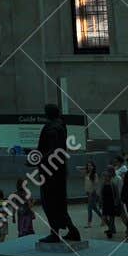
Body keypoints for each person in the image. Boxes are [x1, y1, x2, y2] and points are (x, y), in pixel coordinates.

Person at [35, 103, 81, 245]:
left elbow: (53, 150)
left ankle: (55, 233)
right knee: (59, 202)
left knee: (49, 202)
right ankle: (72, 231)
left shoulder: (52, 128)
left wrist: (39, 159)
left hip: (50, 171)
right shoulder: (61, 125)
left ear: (48, 113)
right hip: (58, 170)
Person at [99, 166, 120, 238]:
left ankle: (110, 230)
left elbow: (117, 194)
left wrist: (116, 203)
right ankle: (111, 228)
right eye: (104, 176)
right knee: (104, 218)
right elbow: (101, 194)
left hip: (111, 203)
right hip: (105, 203)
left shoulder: (113, 184)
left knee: (111, 218)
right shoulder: (103, 184)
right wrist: (100, 202)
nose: (105, 178)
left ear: (109, 177)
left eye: (106, 176)